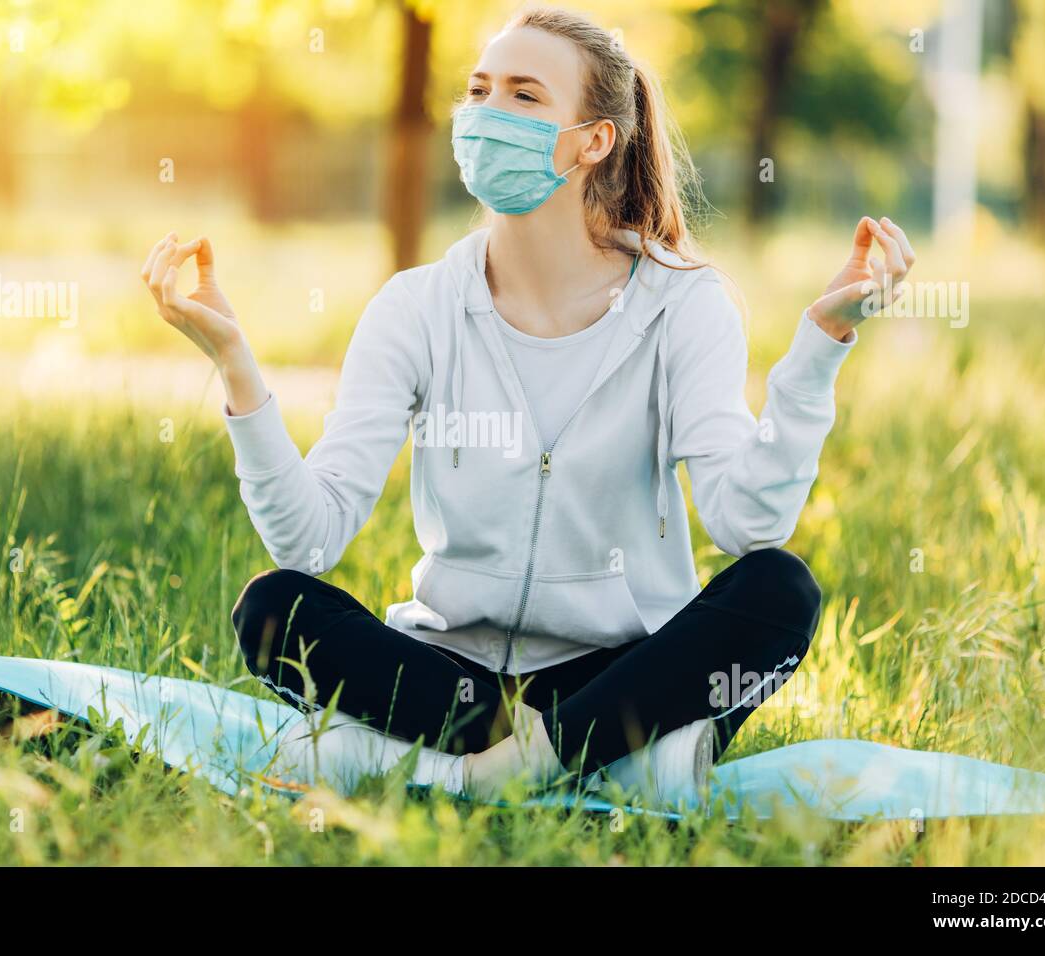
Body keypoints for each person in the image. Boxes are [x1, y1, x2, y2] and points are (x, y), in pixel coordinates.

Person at [139, 7, 915, 804]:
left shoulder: (685, 305)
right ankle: (612, 760)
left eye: (523, 95)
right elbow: (307, 538)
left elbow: (746, 526)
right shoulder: (416, 308)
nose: (485, 114)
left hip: (617, 669)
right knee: (273, 609)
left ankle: (458, 767)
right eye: (478, 91)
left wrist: (821, 343)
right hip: (457, 683)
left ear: (593, 140)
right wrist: (235, 362)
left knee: (779, 590)